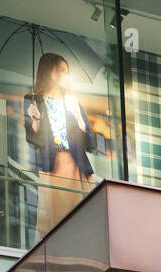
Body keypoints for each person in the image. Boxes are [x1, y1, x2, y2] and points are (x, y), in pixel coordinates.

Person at [22, 53, 102, 237]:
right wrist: (34, 123)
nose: (67, 75)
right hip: (51, 167)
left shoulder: (73, 102)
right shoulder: (33, 100)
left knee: (80, 220)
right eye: (63, 70)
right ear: (51, 72)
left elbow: (90, 143)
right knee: (53, 222)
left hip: (77, 166)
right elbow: (32, 141)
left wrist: (80, 121)